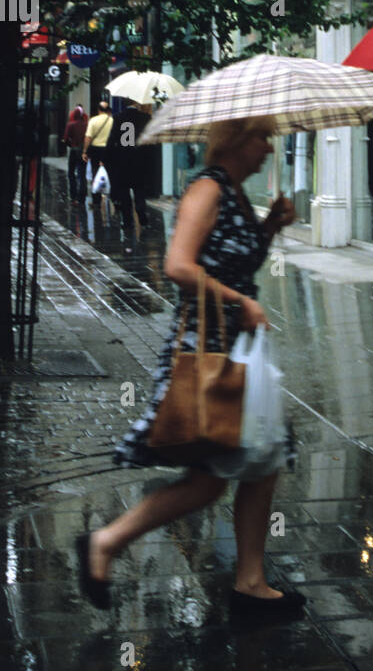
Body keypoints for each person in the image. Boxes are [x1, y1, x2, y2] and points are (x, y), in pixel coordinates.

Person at [76, 116, 301, 615]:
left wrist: (269, 226)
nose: (268, 148)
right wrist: (238, 302)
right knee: (218, 473)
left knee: (259, 461)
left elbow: (234, 261)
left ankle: (249, 580)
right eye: (262, 137)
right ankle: (109, 543)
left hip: (234, 345)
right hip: (209, 348)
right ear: (237, 140)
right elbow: (179, 264)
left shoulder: (236, 193)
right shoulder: (207, 188)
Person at [108, 100, 152, 235]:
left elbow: (112, 141)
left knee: (124, 193)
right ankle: (141, 213)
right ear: (137, 103)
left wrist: (110, 159)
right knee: (139, 190)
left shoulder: (118, 118)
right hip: (140, 161)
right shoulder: (146, 118)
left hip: (122, 162)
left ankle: (127, 222)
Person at [81, 100, 114, 194]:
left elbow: (88, 137)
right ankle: (109, 192)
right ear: (108, 110)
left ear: (98, 110)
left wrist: (85, 151)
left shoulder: (93, 120)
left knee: (95, 171)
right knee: (109, 170)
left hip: (96, 149)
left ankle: (96, 197)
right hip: (108, 149)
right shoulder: (112, 120)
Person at [62, 105, 88, 202]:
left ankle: (73, 194)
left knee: (71, 173)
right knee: (82, 173)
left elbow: (65, 139)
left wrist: (70, 144)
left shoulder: (70, 125)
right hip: (83, 151)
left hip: (73, 150)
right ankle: (82, 194)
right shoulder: (86, 124)